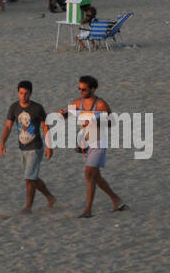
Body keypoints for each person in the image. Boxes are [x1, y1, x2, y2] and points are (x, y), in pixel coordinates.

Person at [47, 76, 127, 219]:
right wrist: (62, 114)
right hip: (85, 143)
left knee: (89, 174)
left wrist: (97, 121)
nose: (81, 91)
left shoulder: (100, 104)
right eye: (79, 88)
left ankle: (88, 210)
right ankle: (117, 201)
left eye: (84, 89)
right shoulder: (78, 102)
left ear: (93, 89)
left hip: (98, 142)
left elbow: (112, 122)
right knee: (96, 177)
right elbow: (66, 114)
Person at [0, 80, 56, 212]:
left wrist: (49, 146)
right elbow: (8, 126)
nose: (23, 96)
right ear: (18, 93)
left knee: (29, 177)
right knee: (31, 178)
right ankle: (50, 197)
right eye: (21, 93)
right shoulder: (14, 107)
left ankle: (28, 207)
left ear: (30, 93)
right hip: (22, 148)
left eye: (26, 93)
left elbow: (45, 127)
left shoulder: (37, 108)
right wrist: (2, 142)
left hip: (35, 147)